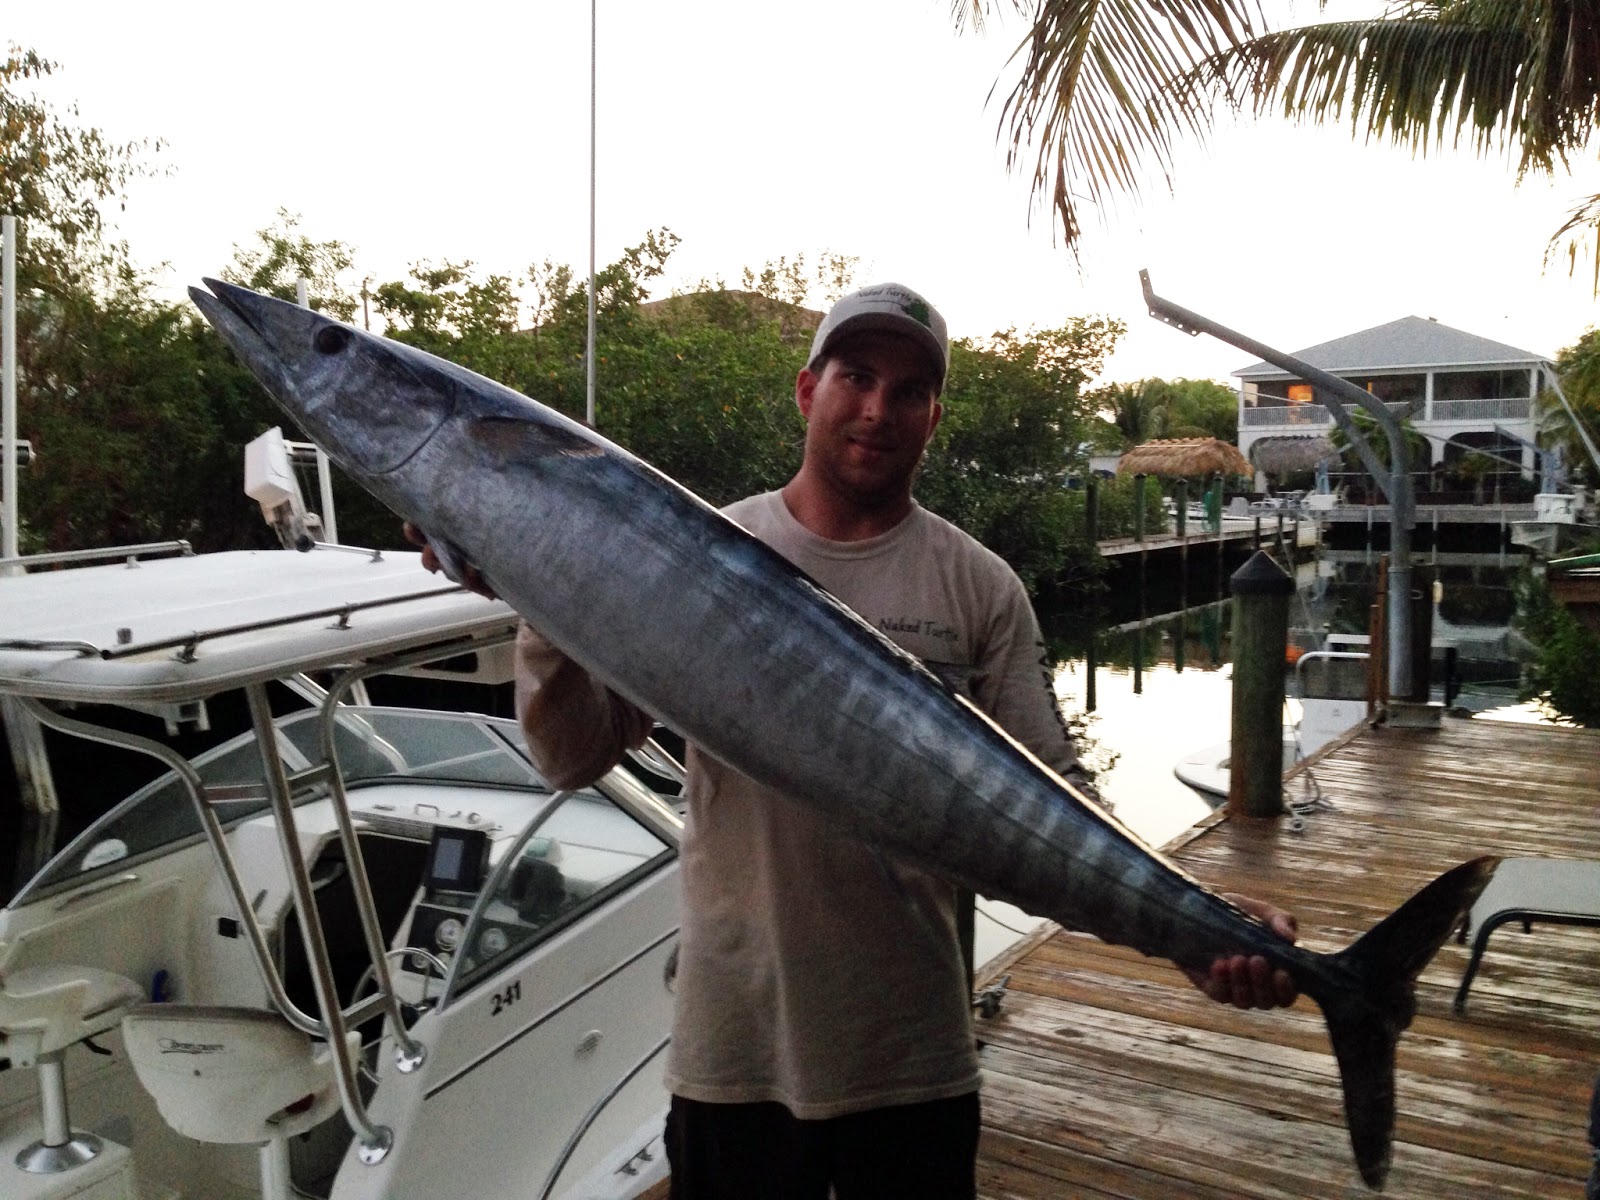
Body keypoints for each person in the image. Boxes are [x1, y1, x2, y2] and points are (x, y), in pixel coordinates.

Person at [413, 281, 1297, 1199]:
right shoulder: (692, 553)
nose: (879, 409)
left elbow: (1064, 802)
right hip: (735, 1057)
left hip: (914, 1064)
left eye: (910, 391)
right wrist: (534, 583)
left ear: (934, 419)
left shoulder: (981, 587)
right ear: (809, 390)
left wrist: (1205, 925)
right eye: (857, 377)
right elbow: (569, 758)